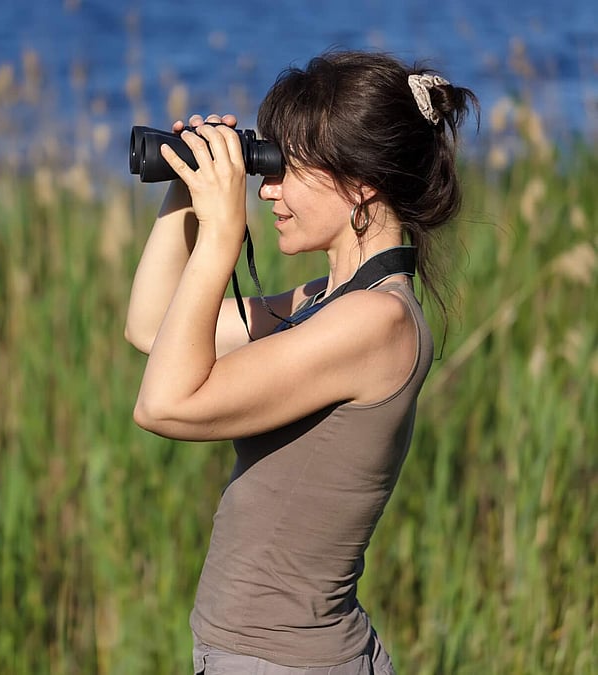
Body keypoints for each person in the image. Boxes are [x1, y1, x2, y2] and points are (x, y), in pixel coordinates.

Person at [124, 50, 477, 674]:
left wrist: (221, 234)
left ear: (360, 182)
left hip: (290, 663)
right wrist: (184, 188)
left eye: (288, 169)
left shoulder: (377, 321)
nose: (267, 189)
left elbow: (166, 404)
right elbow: (152, 328)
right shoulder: (326, 301)